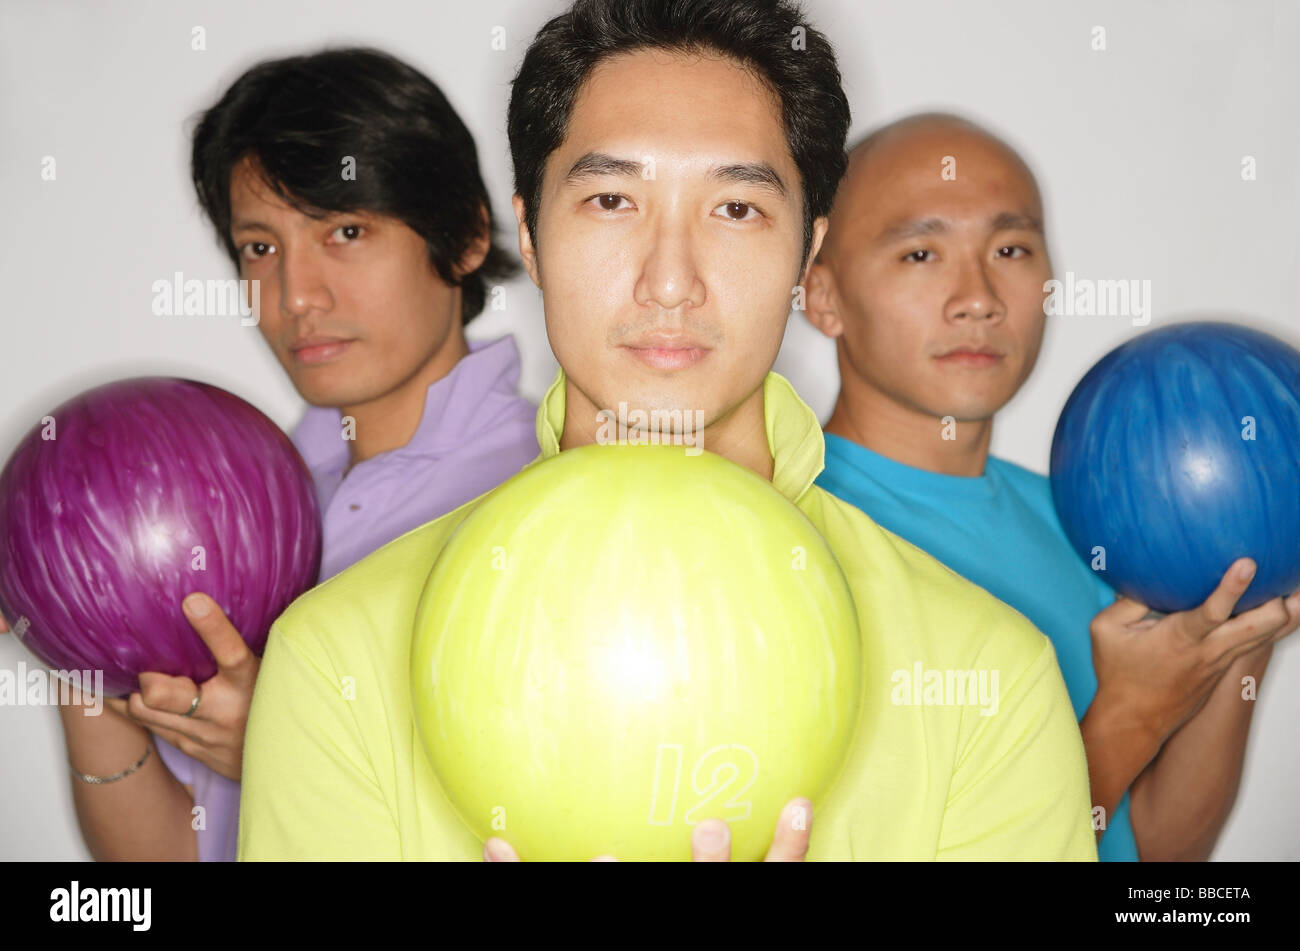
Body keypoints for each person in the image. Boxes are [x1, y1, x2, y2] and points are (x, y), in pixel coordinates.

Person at [240, 0, 1097, 861]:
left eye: (735, 209)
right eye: (612, 199)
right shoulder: (337, 661)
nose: (671, 281)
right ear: (531, 236)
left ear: (808, 254)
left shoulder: (989, 677)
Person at [2, 47, 540, 862]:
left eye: (347, 232)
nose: (296, 295)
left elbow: (549, 815)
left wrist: (293, 744)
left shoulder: (546, 486)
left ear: (464, 236)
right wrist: (75, 643)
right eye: (260, 247)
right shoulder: (236, 511)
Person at [805, 112, 1300, 861]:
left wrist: (1238, 637)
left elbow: (1156, 851)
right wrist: (1128, 714)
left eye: (1010, 248)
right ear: (822, 295)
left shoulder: (1093, 524)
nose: (978, 296)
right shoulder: (800, 534)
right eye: (919, 252)